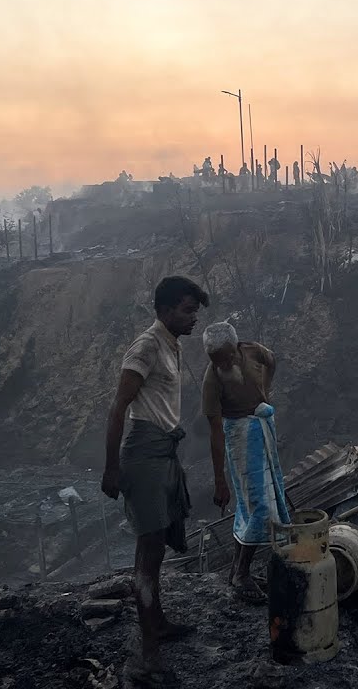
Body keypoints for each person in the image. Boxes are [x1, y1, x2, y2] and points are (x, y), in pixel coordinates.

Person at [101, 276, 209, 685]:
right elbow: (117, 407)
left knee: (158, 546)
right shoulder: (146, 346)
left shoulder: (172, 343)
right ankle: (146, 655)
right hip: (143, 453)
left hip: (163, 450)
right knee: (148, 553)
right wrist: (112, 468)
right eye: (187, 310)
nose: (193, 317)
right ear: (164, 311)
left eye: (195, 310)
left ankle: (158, 624)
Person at [201, 322, 289, 605]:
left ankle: (237, 571)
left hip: (262, 429)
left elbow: (271, 360)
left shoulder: (252, 351)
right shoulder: (212, 379)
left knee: (253, 503)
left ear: (235, 348)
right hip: (239, 438)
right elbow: (215, 430)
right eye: (216, 359)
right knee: (259, 506)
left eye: (227, 356)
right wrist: (219, 479)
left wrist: (266, 390)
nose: (223, 363)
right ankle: (241, 574)